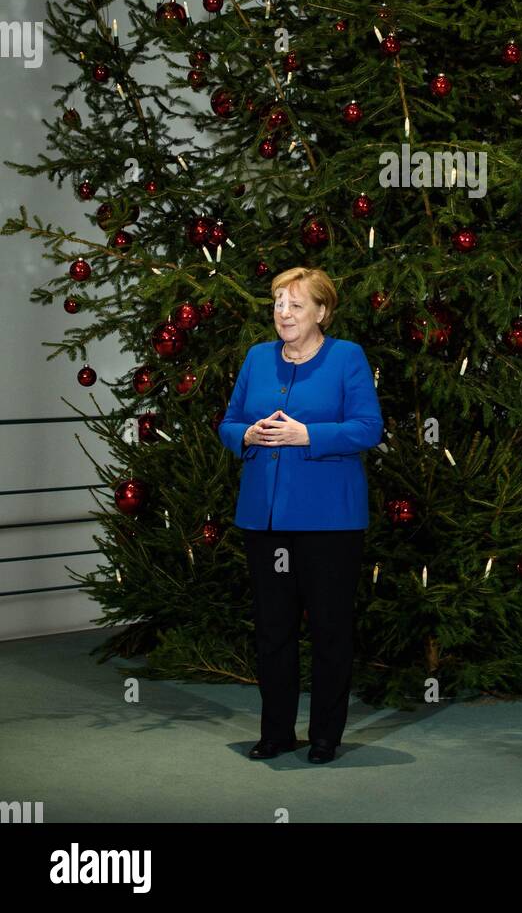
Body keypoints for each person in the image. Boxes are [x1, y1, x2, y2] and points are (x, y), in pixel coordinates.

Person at [218, 266, 384, 763]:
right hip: (266, 522)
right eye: (277, 304)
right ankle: (276, 732)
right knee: (273, 630)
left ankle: (326, 735)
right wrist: (244, 435)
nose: (283, 314)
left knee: (330, 628)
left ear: (321, 312)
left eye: (294, 305)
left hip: (330, 523)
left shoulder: (347, 357)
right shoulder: (257, 357)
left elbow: (368, 428)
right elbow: (229, 422)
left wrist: (307, 435)